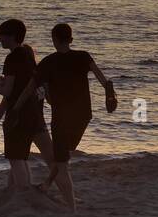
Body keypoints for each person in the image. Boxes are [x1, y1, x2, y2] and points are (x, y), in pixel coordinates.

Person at [11, 23, 116, 207]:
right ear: (71, 39)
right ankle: (47, 184)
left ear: (54, 40)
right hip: (84, 115)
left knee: (62, 161)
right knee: (63, 155)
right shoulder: (83, 56)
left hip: (61, 117)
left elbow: (30, 88)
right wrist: (109, 93)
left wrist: (16, 107)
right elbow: (102, 77)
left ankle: (71, 207)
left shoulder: (48, 62)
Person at [0, 19, 55, 193]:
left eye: (2, 34)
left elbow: (8, 93)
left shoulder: (12, 57)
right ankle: (24, 191)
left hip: (17, 116)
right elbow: (23, 87)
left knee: (16, 158)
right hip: (35, 115)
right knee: (35, 158)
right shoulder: (28, 56)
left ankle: (25, 195)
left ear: (12, 37)